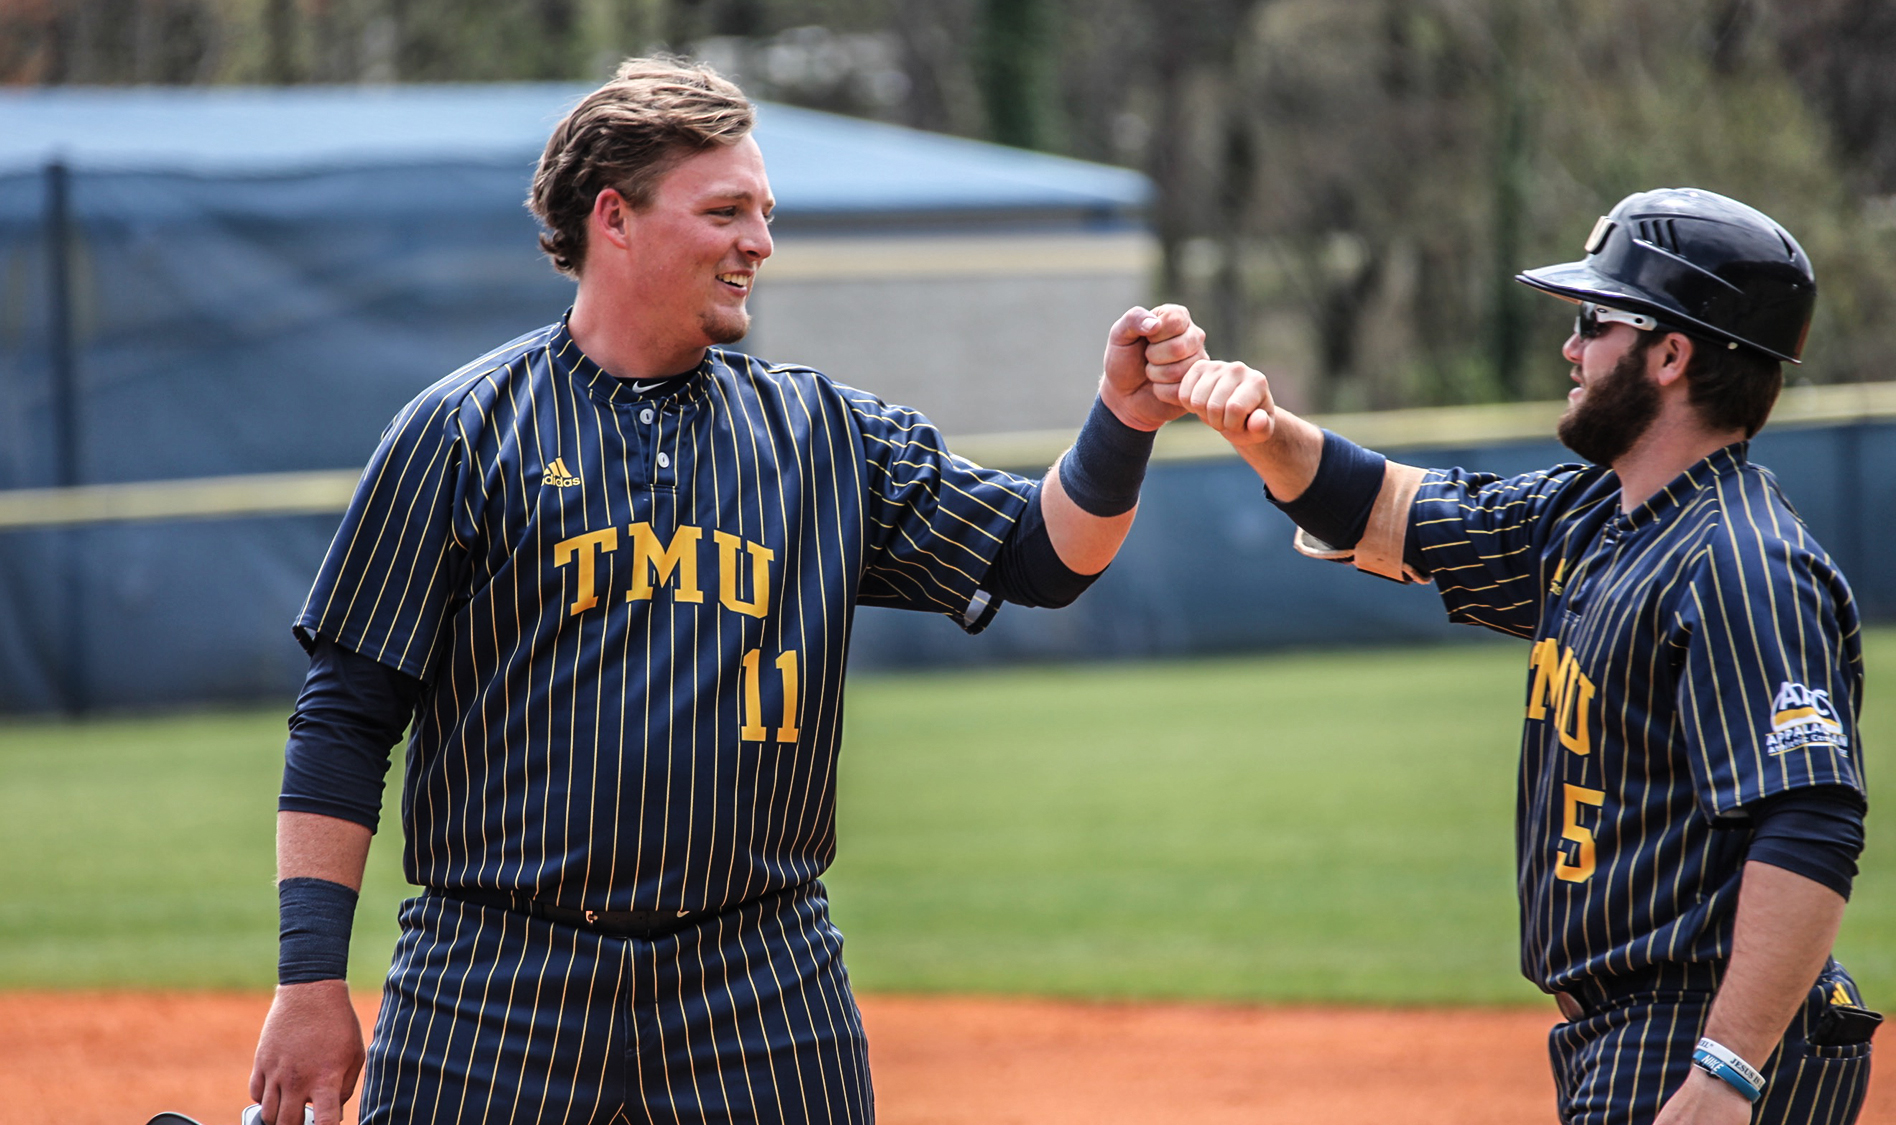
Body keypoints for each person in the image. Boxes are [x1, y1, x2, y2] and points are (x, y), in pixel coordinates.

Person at [245, 57, 1203, 1125]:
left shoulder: (824, 438)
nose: (760, 241)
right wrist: (308, 981)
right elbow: (343, 719)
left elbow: (1043, 557)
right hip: (495, 983)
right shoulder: (463, 433)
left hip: (759, 984)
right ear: (614, 218)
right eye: (725, 210)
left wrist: (1120, 418)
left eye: (764, 211)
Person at [1162, 187, 1877, 1124]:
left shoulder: (1744, 562)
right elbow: (1385, 511)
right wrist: (1259, 427)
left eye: (1596, 320)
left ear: (1672, 354)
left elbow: (1810, 823)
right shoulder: (1591, 515)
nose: (1571, 348)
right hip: (1629, 1034)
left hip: (1698, 1034)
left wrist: (1729, 1070)